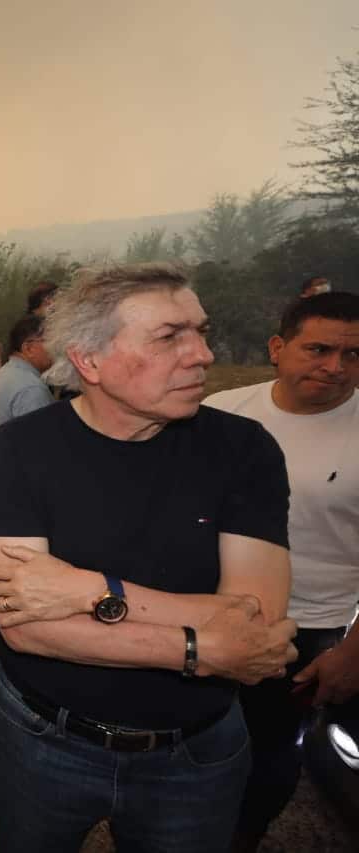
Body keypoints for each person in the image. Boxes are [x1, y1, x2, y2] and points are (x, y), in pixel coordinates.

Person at [0, 262, 300, 853]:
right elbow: (27, 632)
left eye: (200, 331)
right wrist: (204, 648)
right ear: (89, 361)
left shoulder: (244, 449)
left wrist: (89, 591)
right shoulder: (20, 450)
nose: (201, 353)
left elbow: (256, 622)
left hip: (195, 754)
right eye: (169, 336)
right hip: (44, 740)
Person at [204, 291, 359, 851]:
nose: (335, 367)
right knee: (198, 745)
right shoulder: (223, 412)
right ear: (278, 347)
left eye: (352, 354)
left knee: (270, 758)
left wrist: (352, 650)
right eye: (318, 349)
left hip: (311, 630)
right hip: (211, 612)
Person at [0, 313, 54, 426]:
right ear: (28, 349)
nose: (56, 347)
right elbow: (40, 441)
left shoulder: (3, 374)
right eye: (50, 341)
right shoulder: (31, 389)